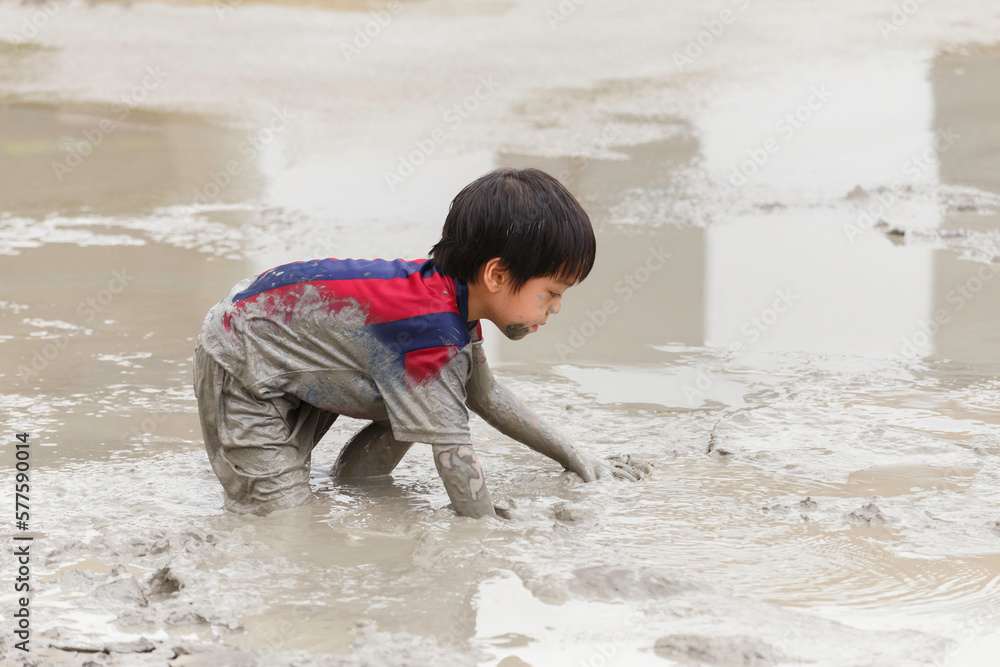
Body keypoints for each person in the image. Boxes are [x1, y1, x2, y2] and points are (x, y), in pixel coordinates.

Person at [192, 167, 652, 519]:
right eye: (550, 294)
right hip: (244, 358)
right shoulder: (430, 336)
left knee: (435, 399)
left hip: (283, 334)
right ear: (496, 275)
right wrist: (484, 528)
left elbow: (485, 395)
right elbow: (455, 459)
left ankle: (357, 479)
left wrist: (575, 456)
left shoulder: (450, 305)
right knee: (281, 518)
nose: (554, 309)